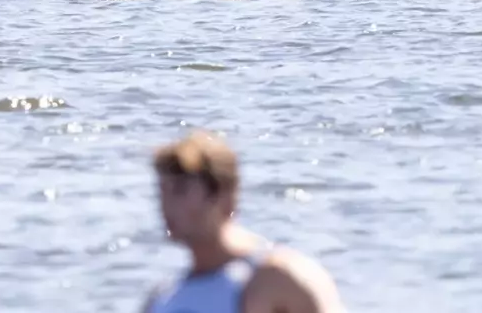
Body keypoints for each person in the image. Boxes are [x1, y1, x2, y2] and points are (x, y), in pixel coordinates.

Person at [142, 130, 346, 313]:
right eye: (162, 192)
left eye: (180, 191)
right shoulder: (161, 299)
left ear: (223, 196)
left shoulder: (278, 280)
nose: (166, 205)